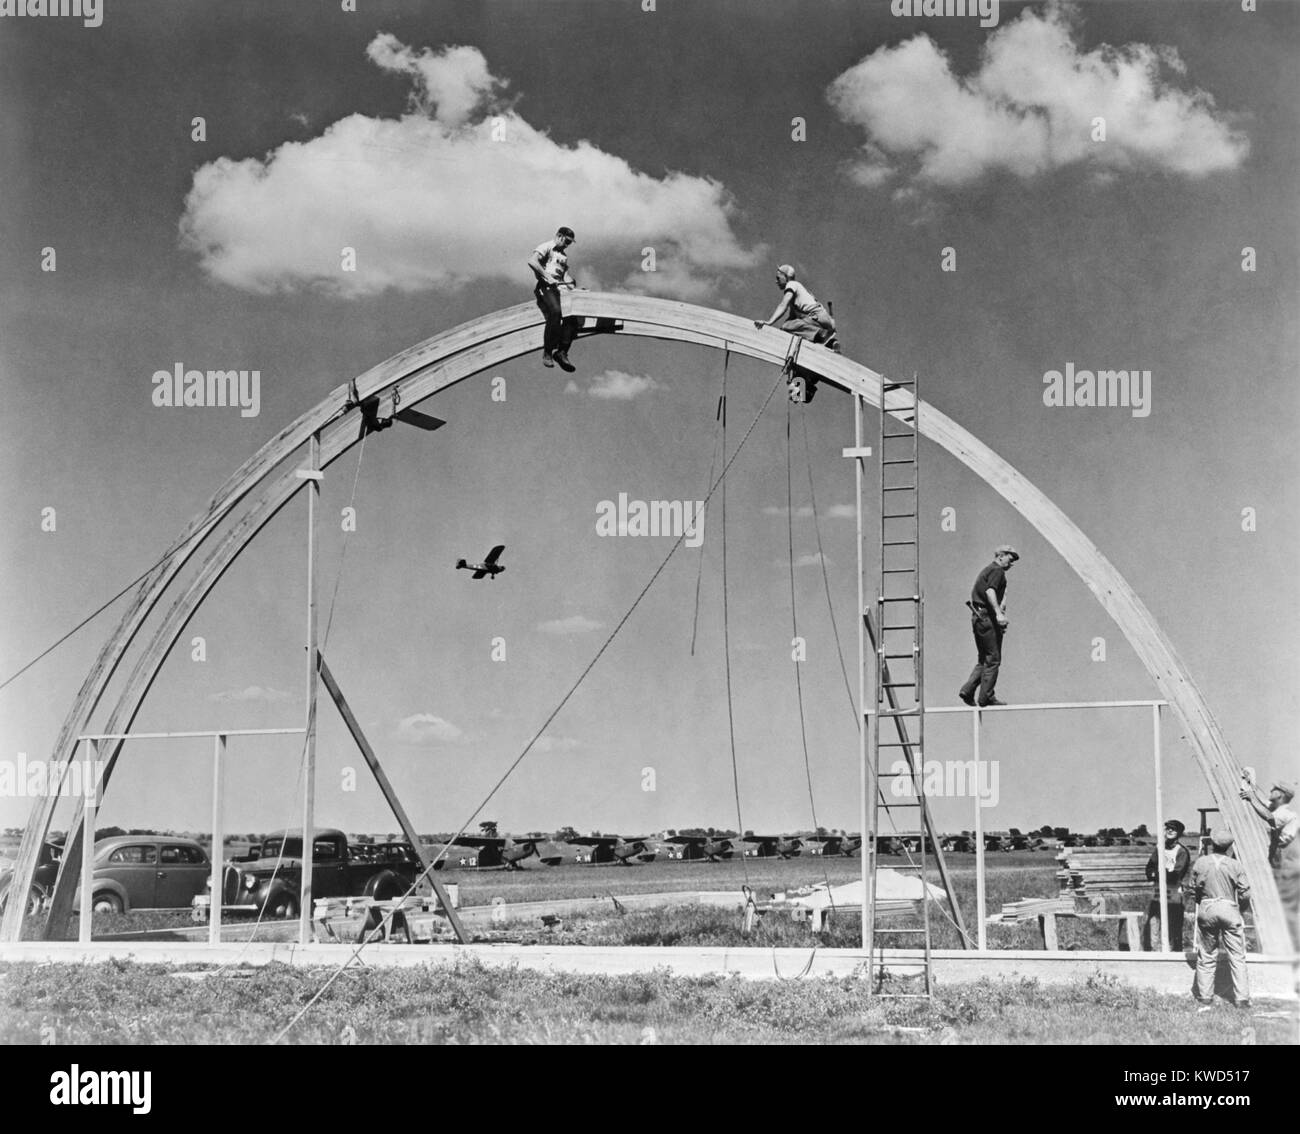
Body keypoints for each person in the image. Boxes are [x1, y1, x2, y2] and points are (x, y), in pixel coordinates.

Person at [1189, 828, 1251, 1009]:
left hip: (1207, 908)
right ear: (1230, 846)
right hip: (1229, 908)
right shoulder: (1235, 865)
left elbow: (1193, 889)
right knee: (1237, 956)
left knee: (1207, 954)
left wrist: (1202, 902)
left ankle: (1205, 996)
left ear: (1213, 842)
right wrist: (1241, 908)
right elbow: (1245, 893)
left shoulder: (1201, 863)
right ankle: (1242, 998)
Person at [1239, 777, 1300, 950]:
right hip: (1279, 865)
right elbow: (1264, 802)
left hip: (1286, 867)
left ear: (1280, 795)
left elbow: (1268, 816)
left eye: (1273, 789)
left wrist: (1251, 798)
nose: (1270, 791)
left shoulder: (1286, 814)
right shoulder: (1278, 808)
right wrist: (1251, 786)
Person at [957, 545, 1019, 708]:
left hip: (978, 618)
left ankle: (968, 690)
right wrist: (999, 614)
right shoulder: (997, 571)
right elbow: (990, 591)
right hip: (987, 617)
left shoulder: (989, 570)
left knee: (984, 659)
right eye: (1010, 559)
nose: (1011, 564)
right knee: (993, 660)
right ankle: (986, 697)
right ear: (1001, 556)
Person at [528, 226, 582, 372]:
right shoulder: (546, 247)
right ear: (559, 236)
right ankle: (548, 352)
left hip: (559, 288)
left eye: (570, 243)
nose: (567, 245)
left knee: (572, 317)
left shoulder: (563, 257)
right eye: (566, 241)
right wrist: (547, 276)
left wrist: (573, 287)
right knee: (556, 312)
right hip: (545, 286)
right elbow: (533, 261)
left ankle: (562, 352)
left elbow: (565, 276)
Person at [753, 265, 839, 351]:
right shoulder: (798, 291)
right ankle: (831, 343)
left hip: (817, 318)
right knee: (788, 326)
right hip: (826, 321)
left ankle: (820, 334)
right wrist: (782, 332)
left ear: (786, 276)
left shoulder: (791, 285)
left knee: (787, 326)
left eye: (778, 278)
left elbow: (783, 305)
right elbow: (791, 319)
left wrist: (769, 322)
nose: (776, 281)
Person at [1145, 819, 1190, 951]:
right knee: (1153, 925)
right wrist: (1160, 873)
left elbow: (1175, 875)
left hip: (1174, 896)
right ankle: (1153, 951)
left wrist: (1158, 874)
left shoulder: (1181, 851)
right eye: (1168, 828)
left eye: (1173, 829)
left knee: (1174, 928)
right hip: (1157, 895)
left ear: (1179, 833)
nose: (1170, 831)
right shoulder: (1159, 848)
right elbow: (1149, 869)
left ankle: (1174, 954)